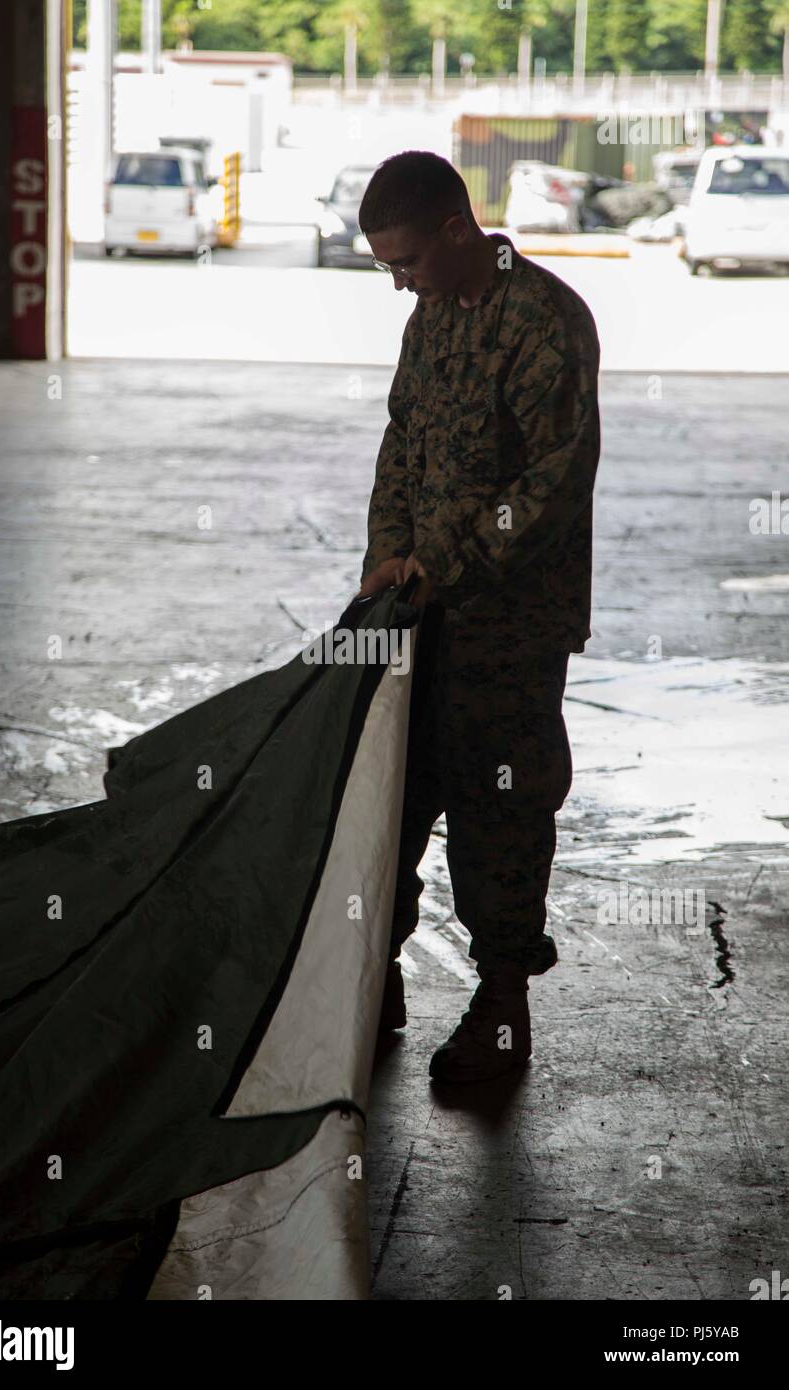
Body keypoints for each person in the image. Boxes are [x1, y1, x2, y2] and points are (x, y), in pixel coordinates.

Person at [356, 150, 601, 1084]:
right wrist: (388, 550)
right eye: (387, 267)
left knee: (500, 813)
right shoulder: (429, 318)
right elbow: (401, 440)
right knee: (393, 796)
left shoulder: (545, 322)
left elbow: (551, 485)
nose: (399, 282)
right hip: (417, 615)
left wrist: (444, 561)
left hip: (509, 630)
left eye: (407, 262)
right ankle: (371, 977)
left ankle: (502, 1007)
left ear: (459, 231)